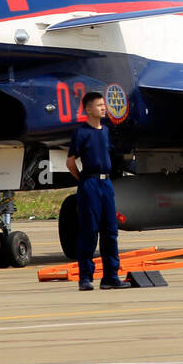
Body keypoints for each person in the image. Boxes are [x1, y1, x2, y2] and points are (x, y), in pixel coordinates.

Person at [65, 92, 129, 291]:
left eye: (104, 105)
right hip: (90, 184)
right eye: (99, 105)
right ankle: (85, 277)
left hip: (106, 184)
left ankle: (111, 276)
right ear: (88, 109)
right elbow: (70, 162)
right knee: (89, 232)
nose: (103, 108)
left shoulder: (106, 131)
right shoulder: (81, 133)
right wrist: (83, 180)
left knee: (110, 231)